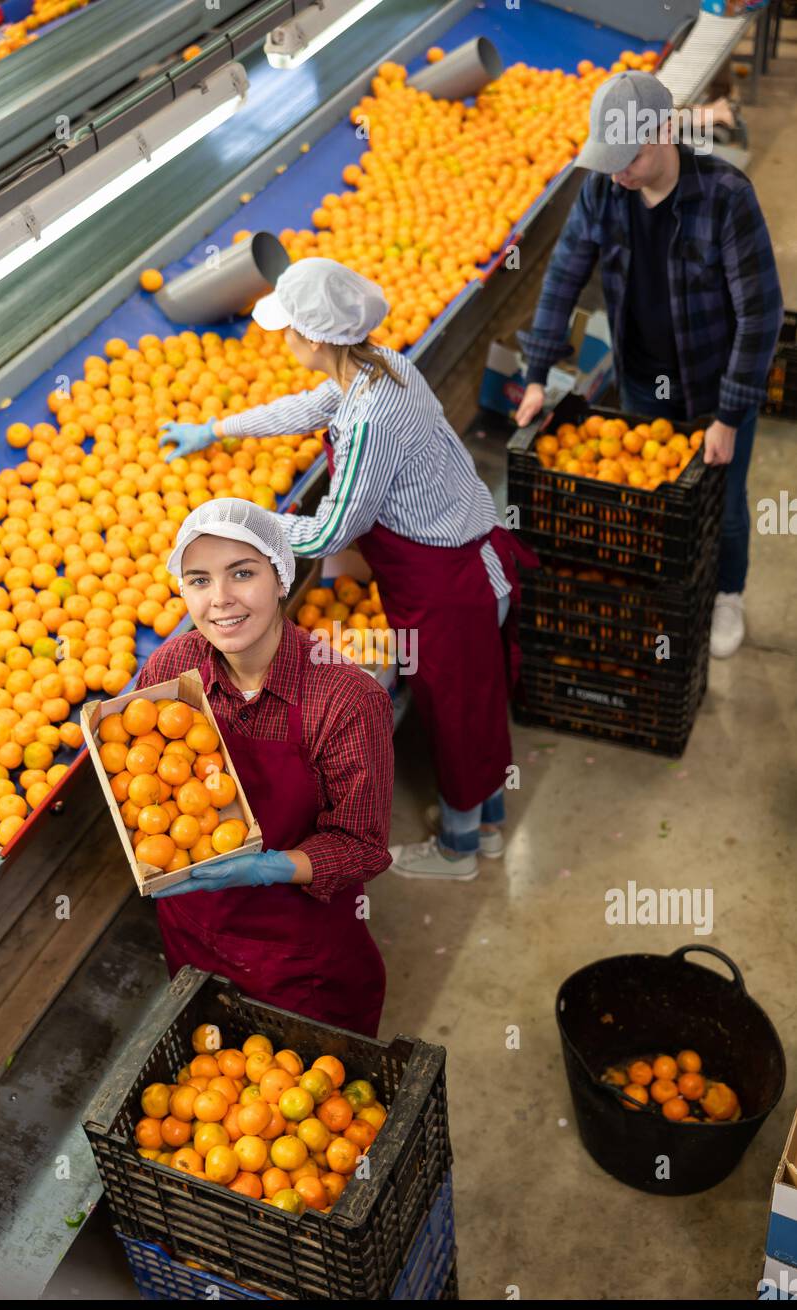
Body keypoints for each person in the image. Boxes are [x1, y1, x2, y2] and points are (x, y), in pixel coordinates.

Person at [160, 258, 537, 883]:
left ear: (312, 339)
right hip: (460, 562)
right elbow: (306, 410)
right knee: (475, 700)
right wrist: (216, 429)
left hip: (449, 582)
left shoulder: (369, 419)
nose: (281, 339)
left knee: (455, 711)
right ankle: (489, 824)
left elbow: (336, 528)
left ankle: (460, 850)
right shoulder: (379, 367)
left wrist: (248, 532)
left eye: (286, 330)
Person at [514, 70, 783, 659]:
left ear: (664, 132)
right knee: (655, 496)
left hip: (716, 385)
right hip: (644, 380)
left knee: (724, 501)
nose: (617, 173)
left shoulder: (726, 197)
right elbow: (565, 274)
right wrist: (536, 374)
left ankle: (726, 595)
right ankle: (671, 594)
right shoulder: (605, 192)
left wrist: (730, 415)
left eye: (627, 158)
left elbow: (761, 316)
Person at [134, 498, 393, 1038]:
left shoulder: (344, 699)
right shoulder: (170, 670)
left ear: (280, 578)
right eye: (199, 580)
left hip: (297, 950)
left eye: (242, 574)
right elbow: (144, 775)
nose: (220, 600)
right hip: (194, 925)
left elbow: (361, 846)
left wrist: (269, 867)